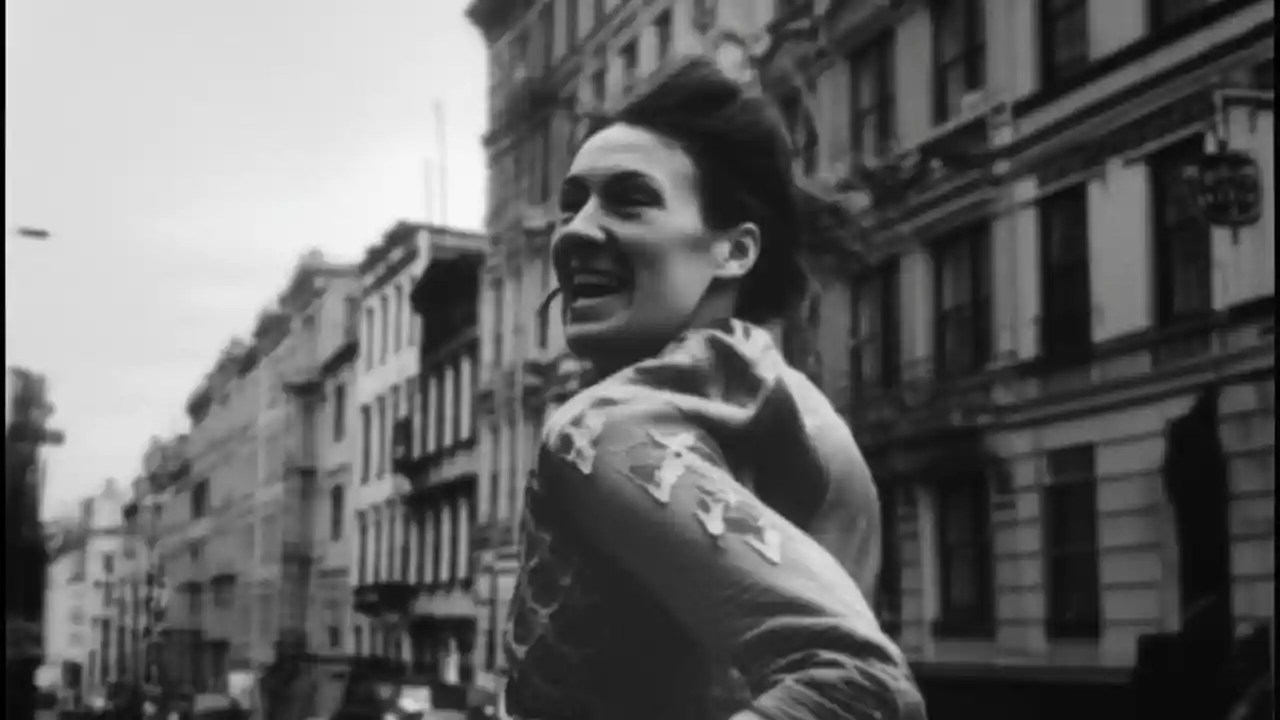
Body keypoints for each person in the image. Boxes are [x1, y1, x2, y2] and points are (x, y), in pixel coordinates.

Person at [503, 56, 927, 720]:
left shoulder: (601, 431)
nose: (576, 231)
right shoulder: (803, 415)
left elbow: (856, 682)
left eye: (630, 200)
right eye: (571, 205)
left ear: (735, 250)